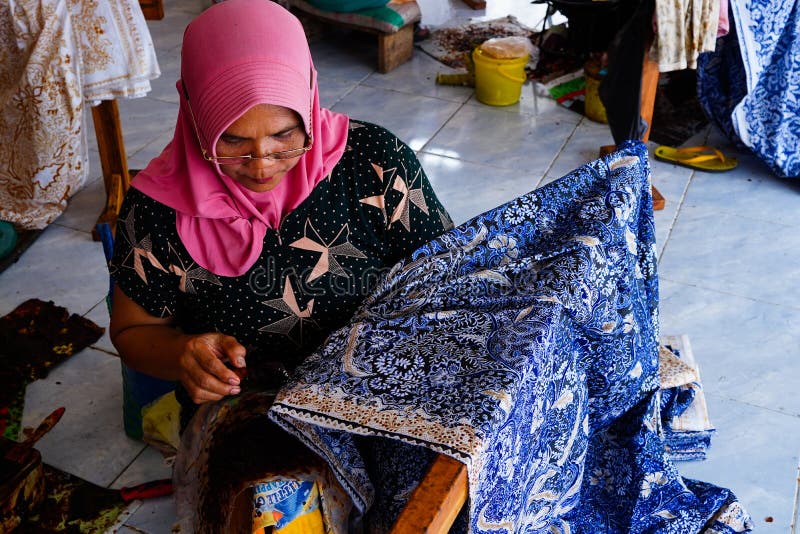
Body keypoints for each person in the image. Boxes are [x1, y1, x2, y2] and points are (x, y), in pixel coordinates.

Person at [108, 0, 451, 529]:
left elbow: (449, 275)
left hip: (380, 380)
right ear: (195, 114)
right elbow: (134, 329)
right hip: (258, 403)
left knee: (434, 498)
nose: (263, 163)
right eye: (233, 141)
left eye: (285, 135)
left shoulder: (374, 163)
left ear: (309, 102)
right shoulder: (156, 211)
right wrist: (184, 355)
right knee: (281, 504)